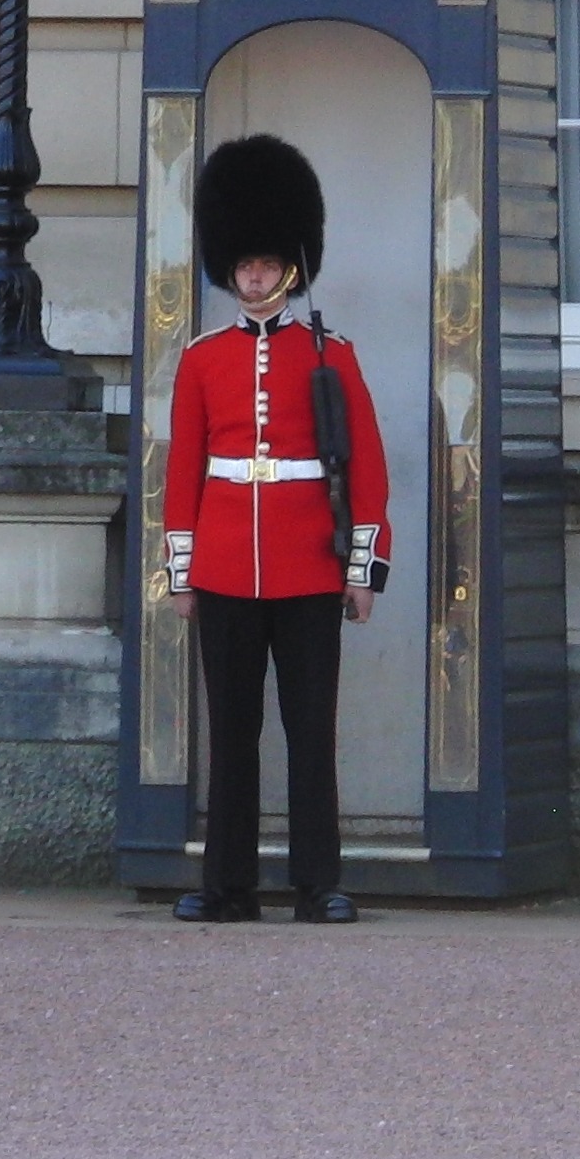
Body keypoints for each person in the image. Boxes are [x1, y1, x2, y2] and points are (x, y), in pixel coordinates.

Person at [160, 134, 391, 925]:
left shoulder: (334, 356)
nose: (253, 278)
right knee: (232, 735)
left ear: (291, 269)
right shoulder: (201, 359)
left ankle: (317, 883)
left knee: (309, 733)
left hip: (308, 566)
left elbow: (366, 474)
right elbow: (183, 472)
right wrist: (182, 573)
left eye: (265, 266)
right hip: (225, 564)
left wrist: (362, 571)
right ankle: (228, 885)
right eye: (243, 267)